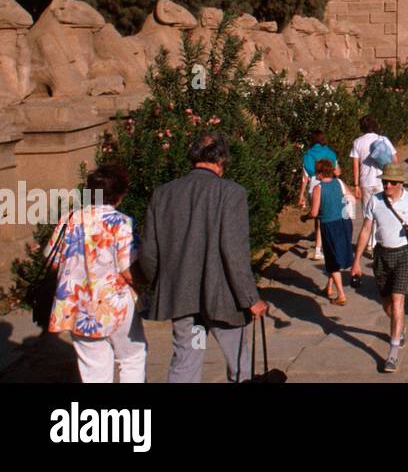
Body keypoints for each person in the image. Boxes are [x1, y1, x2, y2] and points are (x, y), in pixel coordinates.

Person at [139, 132, 268, 383]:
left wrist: (163, 284)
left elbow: (149, 252)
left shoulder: (164, 193)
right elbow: (234, 252)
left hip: (183, 296)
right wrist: (251, 298)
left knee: (187, 359)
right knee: (238, 362)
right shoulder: (231, 193)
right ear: (221, 160)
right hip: (223, 298)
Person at [47, 164, 148, 383]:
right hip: (116, 303)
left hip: (76, 304)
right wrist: (145, 288)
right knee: (132, 356)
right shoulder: (122, 223)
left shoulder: (68, 220)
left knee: (93, 367)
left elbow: (52, 262)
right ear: (120, 195)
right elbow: (127, 269)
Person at [350, 162, 408, 374]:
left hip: (404, 255)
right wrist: (357, 260)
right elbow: (366, 229)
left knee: (398, 301)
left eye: (391, 182)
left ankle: (393, 352)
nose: (387, 185)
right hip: (381, 255)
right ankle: (400, 327)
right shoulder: (375, 201)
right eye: (385, 181)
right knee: (387, 303)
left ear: (400, 183)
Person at [307, 158, 355, 307]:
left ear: (321, 173)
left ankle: (341, 294)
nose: (315, 176)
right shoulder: (339, 183)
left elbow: (314, 212)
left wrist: (305, 216)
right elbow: (352, 198)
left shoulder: (318, 188)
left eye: (316, 173)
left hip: (329, 224)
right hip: (344, 222)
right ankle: (329, 287)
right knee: (336, 255)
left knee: (332, 259)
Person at [298, 129, 338, 260]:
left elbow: (305, 177)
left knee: (318, 218)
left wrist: (301, 195)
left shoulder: (308, 154)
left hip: (312, 187)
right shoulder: (330, 153)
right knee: (328, 216)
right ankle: (323, 247)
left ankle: (318, 247)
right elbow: (337, 171)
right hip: (328, 184)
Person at [350, 115, 384, 255]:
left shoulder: (357, 142)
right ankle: (376, 242)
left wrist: (356, 185)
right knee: (380, 212)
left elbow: (355, 165)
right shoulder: (381, 139)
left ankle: (369, 243)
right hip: (381, 180)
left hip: (365, 181)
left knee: (367, 214)